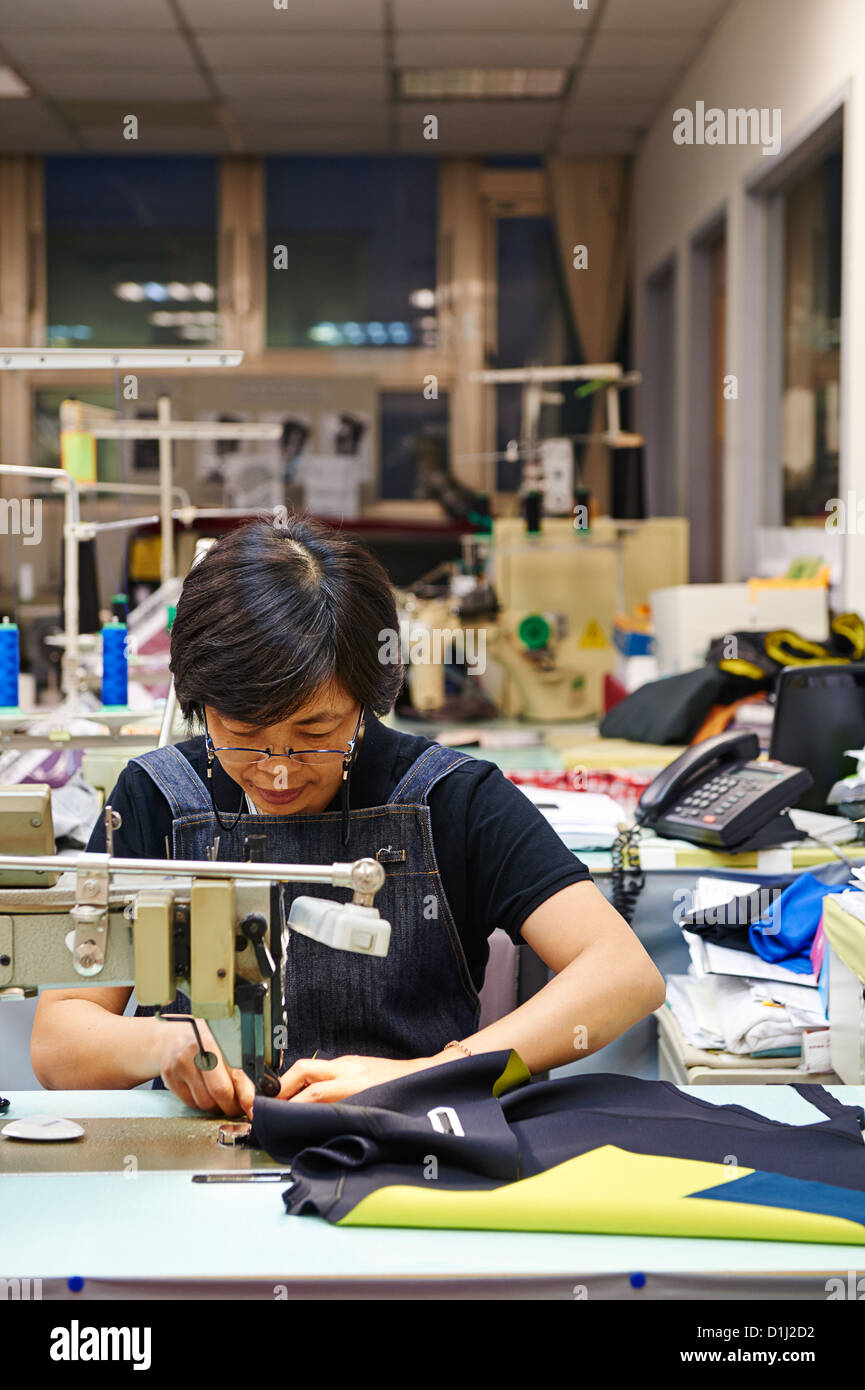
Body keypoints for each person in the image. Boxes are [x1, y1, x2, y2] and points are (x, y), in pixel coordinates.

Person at [31, 515, 664, 1116]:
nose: (278, 768)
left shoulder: (451, 798)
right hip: (193, 1158)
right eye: (244, 731)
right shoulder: (158, 799)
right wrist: (162, 1045)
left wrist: (421, 1073)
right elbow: (58, 1043)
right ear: (199, 702)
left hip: (406, 1150)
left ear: (367, 698)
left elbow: (623, 975)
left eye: (315, 730)